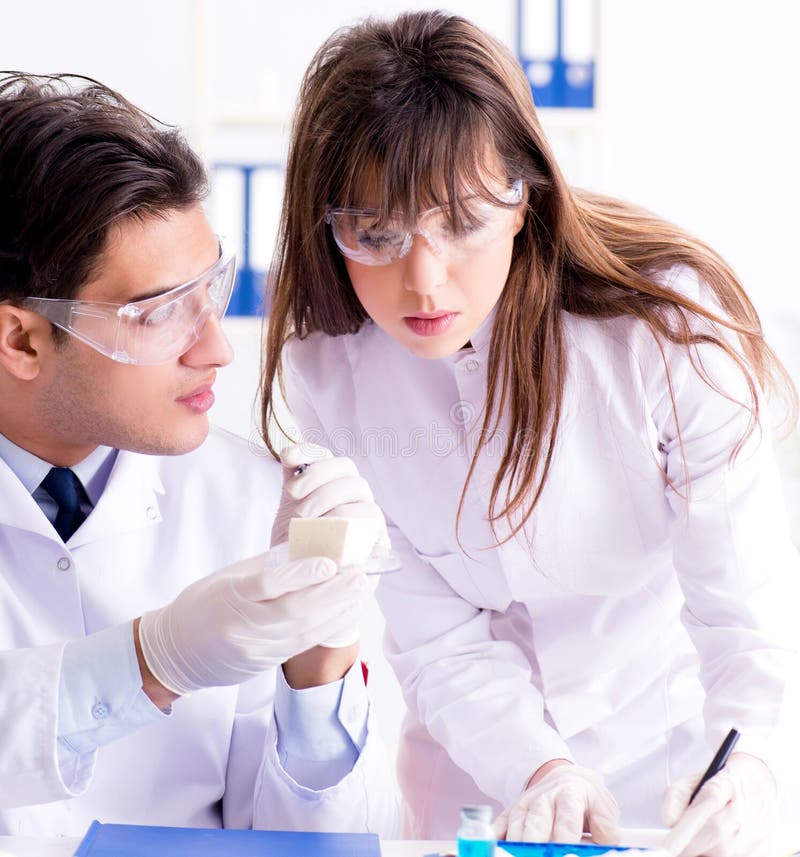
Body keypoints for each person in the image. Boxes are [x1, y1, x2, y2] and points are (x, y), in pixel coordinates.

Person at [260, 11, 800, 856]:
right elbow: (438, 640)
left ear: (525, 198)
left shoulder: (663, 332)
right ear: (326, 228)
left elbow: (744, 620)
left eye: (464, 221)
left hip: (674, 764)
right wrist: (537, 767)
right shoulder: (331, 374)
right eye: (376, 233)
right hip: (477, 784)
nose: (423, 278)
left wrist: (754, 763)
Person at [0, 72, 398, 837]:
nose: (216, 348)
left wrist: (318, 669)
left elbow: (323, 848)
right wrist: (155, 659)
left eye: (210, 291)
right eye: (158, 314)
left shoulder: (249, 503)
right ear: (22, 338)